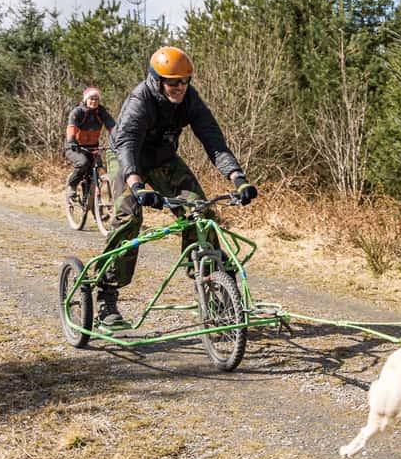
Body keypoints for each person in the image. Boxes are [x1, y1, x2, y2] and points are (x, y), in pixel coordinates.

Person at [96, 45, 257, 325]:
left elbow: (214, 141)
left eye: (185, 81)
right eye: (173, 82)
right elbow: (127, 143)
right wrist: (136, 184)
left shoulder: (190, 99)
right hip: (125, 156)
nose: (180, 87)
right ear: (157, 80)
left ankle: (211, 284)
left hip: (163, 157)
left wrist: (238, 178)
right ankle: (106, 297)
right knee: (128, 218)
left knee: (200, 212)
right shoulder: (140, 100)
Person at [64, 87, 116, 202]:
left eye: (96, 99)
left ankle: (89, 201)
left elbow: (112, 127)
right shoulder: (78, 112)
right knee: (83, 163)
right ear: (86, 100)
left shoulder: (101, 112)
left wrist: (119, 140)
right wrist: (72, 140)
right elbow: (71, 127)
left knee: (95, 170)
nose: (94, 101)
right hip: (74, 146)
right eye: (91, 99)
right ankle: (72, 185)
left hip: (92, 147)